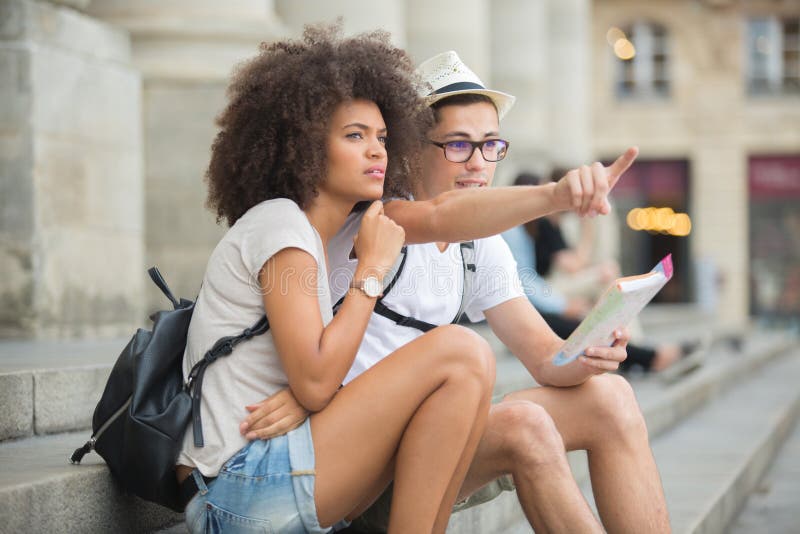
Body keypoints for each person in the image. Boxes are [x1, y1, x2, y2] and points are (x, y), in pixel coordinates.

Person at [244, 51, 671, 533]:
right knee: (521, 424)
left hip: (428, 443)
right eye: (457, 146)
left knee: (610, 397)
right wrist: (557, 194)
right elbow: (442, 214)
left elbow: (547, 360)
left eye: (491, 145)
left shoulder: (479, 246)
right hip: (351, 464)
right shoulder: (376, 218)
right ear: (409, 148)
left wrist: (590, 349)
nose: (478, 164)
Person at [176, 29, 497, 534]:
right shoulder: (281, 226)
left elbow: (317, 383)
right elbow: (317, 381)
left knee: (461, 377)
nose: (377, 152)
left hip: (269, 478)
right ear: (303, 145)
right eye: (354, 136)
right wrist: (372, 269)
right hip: (237, 492)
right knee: (461, 352)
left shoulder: (309, 238)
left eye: (382, 137)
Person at [504, 173, 686, 374]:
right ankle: (643, 352)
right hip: (539, 296)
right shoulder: (516, 231)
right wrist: (563, 305)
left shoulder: (538, 227)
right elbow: (524, 281)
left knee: (602, 295)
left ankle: (638, 349)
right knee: (590, 309)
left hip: (544, 294)